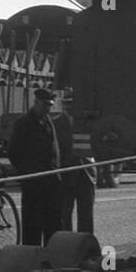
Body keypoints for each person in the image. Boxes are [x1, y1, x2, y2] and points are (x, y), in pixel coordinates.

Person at [8, 88, 64, 245]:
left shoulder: (47, 121)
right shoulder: (25, 123)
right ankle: (31, 258)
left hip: (51, 180)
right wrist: (27, 173)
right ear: (36, 102)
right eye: (45, 104)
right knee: (32, 223)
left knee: (53, 222)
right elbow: (14, 152)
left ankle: (50, 255)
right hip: (34, 181)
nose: (48, 108)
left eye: (50, 105)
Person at [51, 96, 95, 234]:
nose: (69, 107)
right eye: (66, 104)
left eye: (72, 103)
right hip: (66, 173)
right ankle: (67, 243)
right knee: (64, 213)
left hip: (86, 173)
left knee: (86, 214)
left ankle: (86, 243)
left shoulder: (88, 122)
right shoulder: (55, 123)